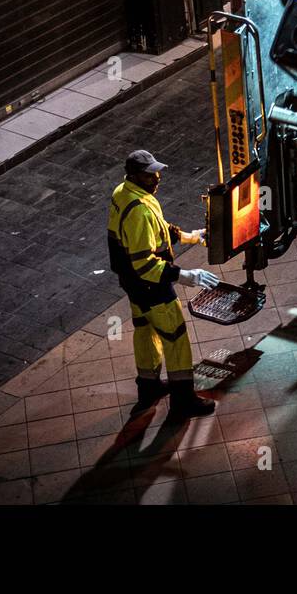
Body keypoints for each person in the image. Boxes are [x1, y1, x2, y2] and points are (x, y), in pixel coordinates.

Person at [107, 149, 219, 419]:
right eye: (150, 175)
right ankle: (183, 400)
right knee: (175, 338)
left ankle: (149, 388)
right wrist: (185, 275)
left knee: (145, 333)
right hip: (151, 286)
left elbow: (160, 230)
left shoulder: (125, 192)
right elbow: (145, 263)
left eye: (156, 172)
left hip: (132, 286)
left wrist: (193, 237)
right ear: (135, 175)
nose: (157, 178)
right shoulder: (139, 210)